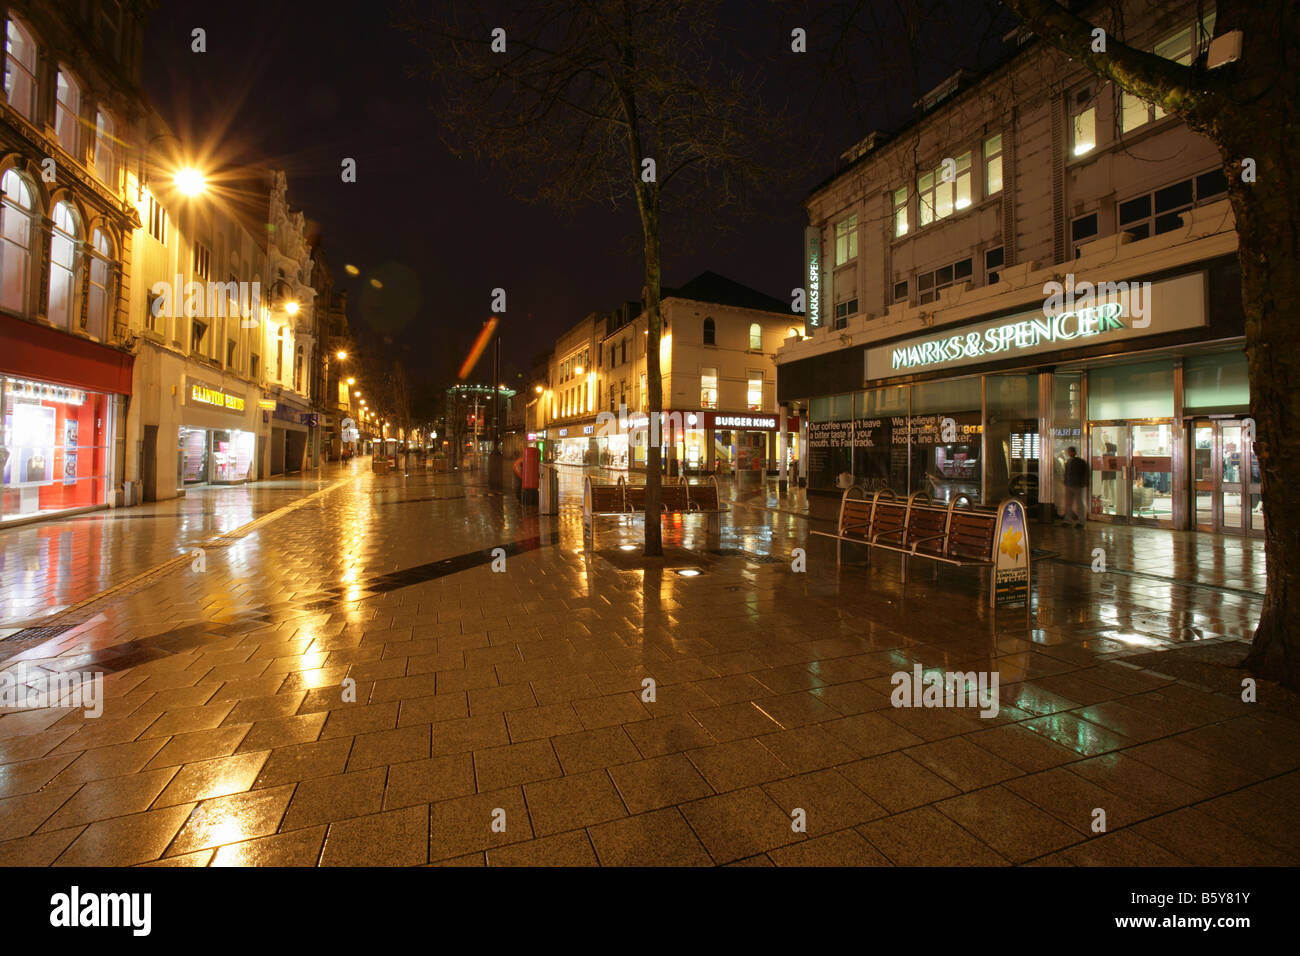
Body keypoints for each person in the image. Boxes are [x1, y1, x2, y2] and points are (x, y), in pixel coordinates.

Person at [1063, 446, 1088, 528]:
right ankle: (1071, 520)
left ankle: (1079, 521)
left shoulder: (1075, 462)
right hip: (1073, 484)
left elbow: (1084, 473)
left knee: (1077, 503)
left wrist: (1082, 483)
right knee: (1072, 503)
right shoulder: (1071, 461)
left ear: (1073, 452)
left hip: (1076, 485)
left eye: (1069, 452)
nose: (1068, 453)